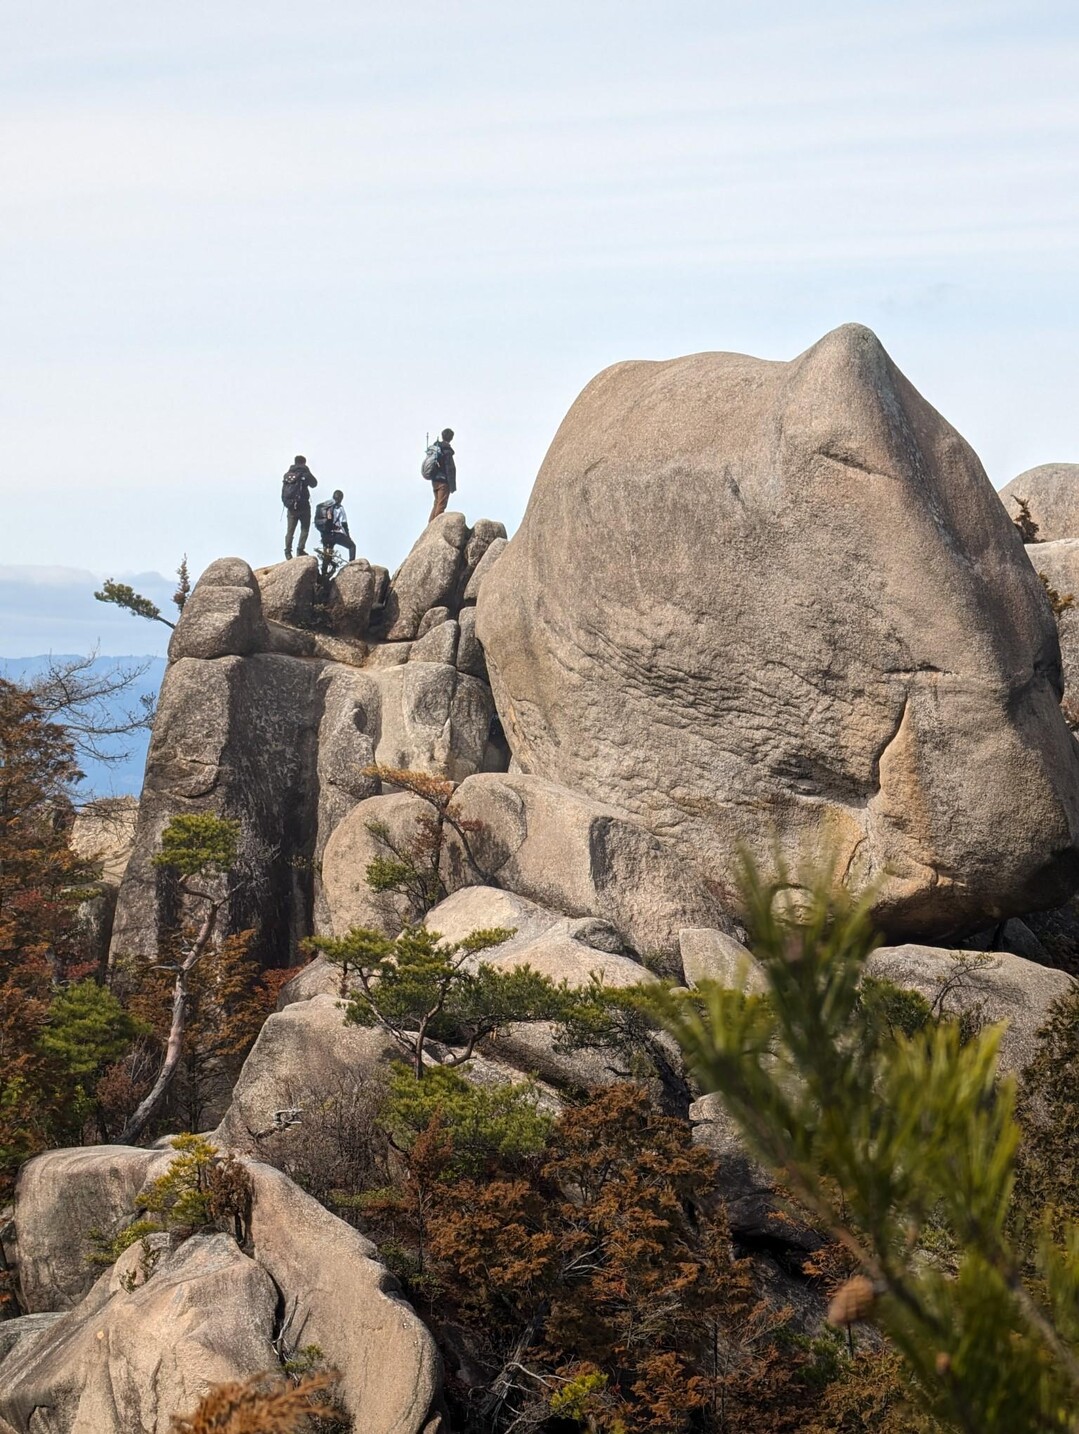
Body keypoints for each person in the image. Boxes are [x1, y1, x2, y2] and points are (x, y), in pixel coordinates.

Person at [281, 455, 318, 559]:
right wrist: (307, 472)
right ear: (304, 463)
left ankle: (287, 552)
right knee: (305, 529)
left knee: (290, 531)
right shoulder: (305, 473)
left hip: (291, 507)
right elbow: (314, 484)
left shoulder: (287, 475)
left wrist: (287, 504)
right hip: (304, 506)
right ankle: (300, 549)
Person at [315, 489, 357, 561]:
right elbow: (344, 524)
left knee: (327, 555)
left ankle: (324, 571)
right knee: (352, 546)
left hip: (325, 535)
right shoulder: (340, 508)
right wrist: (348, 536)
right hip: (336, 534)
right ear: (341, 498)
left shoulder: (325, 505)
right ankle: (352, 565)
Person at [425, 428, 457, 522]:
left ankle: (430, 526)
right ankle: (436, 526)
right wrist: (452, 486)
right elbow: (449, 468)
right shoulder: (447, 450)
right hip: (443, 481)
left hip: (434, 480)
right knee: (441, 504)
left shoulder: (437, 448)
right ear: (451, 438)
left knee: (436, 503)